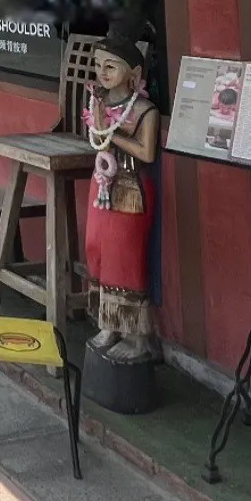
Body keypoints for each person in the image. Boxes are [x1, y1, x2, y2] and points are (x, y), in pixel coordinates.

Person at [84, 20, 162, 363]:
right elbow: (95, 138)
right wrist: (101, 124)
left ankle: (136, 336)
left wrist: (109, 131)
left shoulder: (145, 110)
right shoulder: (99, 102)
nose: (102, 72)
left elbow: (146, 153)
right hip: (102, 185)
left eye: (110, 66)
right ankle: (108, 324)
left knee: (125, 260)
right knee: (97, 250)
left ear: (133, 72)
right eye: (99, 65)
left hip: (131, 188)